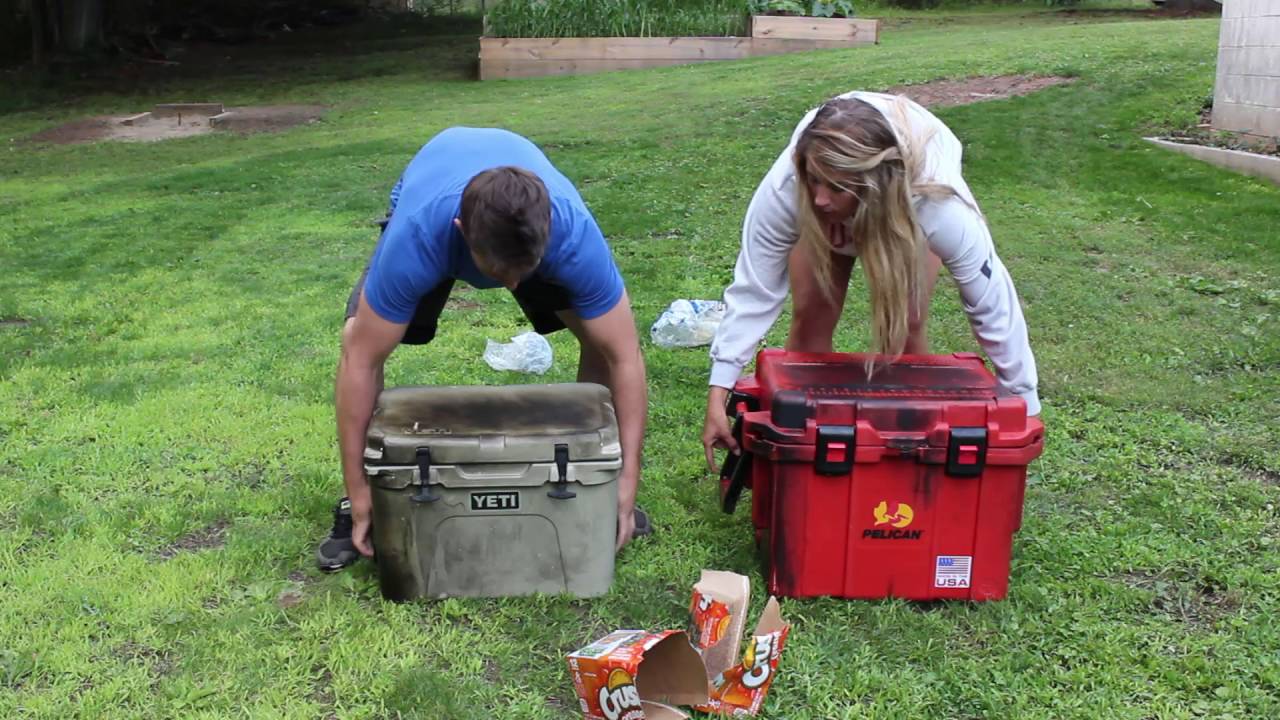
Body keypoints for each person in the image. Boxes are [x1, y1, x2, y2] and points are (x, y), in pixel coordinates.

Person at [318, 127, 650, 572]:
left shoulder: (571, 232)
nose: (511, 287)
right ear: (461, 233)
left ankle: (592, 478)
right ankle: (372, 496)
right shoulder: (419, 236)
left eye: (522, 272)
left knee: (601, 339)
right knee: (362, 338)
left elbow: (625, 358)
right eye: (497, 271)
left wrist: (626, 480)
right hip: (433, 187)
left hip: (530, 225)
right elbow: (361, 361)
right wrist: (359, 491)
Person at [702, 92, 1041, 469]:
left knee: (908, 325)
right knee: (813, 313)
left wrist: (1021, 403)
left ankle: (913, 458)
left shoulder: (938, 206)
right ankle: (801, 458)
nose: (820, 199)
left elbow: (992, 304)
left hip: (901, 216)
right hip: (844, 212)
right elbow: (754, 292)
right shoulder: (789, 188)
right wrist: (720, 388)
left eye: (835, 187)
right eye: (815, 180)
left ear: (875, 184)